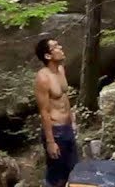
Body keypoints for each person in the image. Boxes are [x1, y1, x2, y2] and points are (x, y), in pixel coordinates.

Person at [34, 37, 77, 187]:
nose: (61, 48)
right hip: (55, 131)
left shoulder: (61, 70)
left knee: (73, 172)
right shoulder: (43, 78)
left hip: (67, 128)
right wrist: (50, 142)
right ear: (47, 55)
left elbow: (65, 98)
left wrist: (72, 121)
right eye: (56, 47)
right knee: (56, 178)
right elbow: (44, 112)